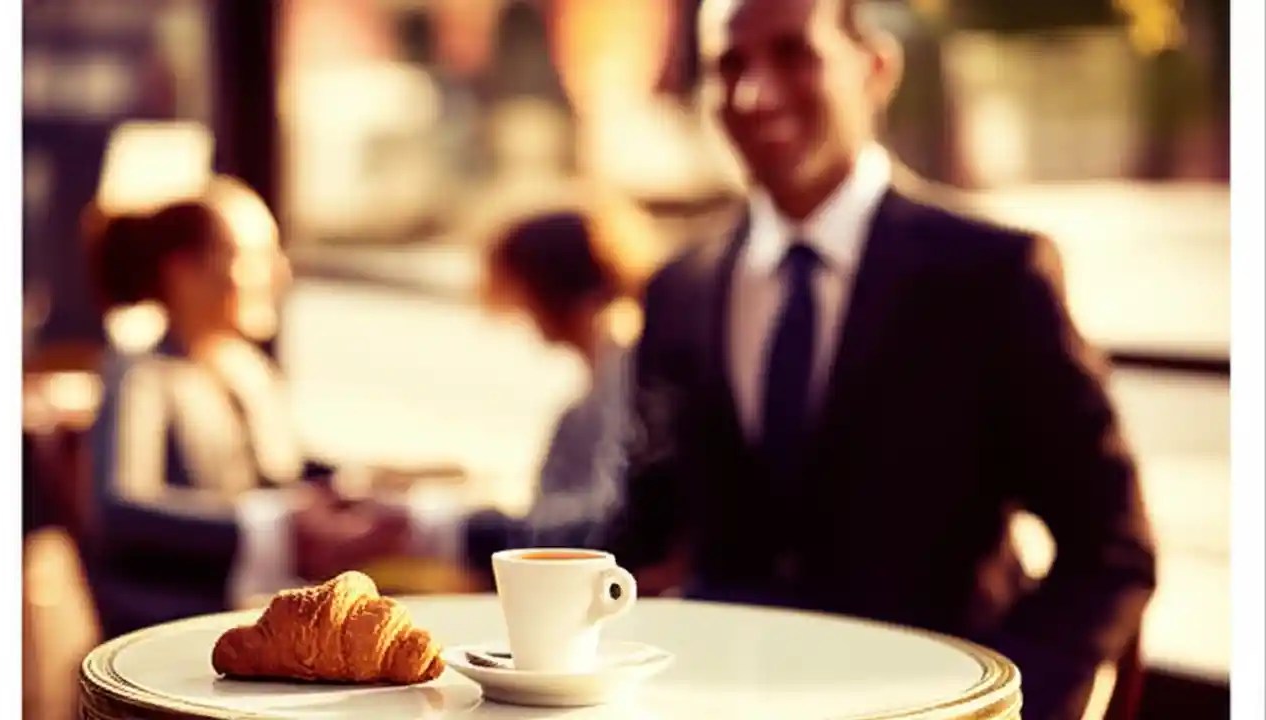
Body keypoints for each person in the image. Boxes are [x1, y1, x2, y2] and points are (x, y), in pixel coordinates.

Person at [609, 1, 1157, 718]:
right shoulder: (681, 290)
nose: (754, 94)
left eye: (794, 54)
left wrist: (1009, 704)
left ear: (875, 68)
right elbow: (643, 529)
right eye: (728, 66)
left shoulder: (992, 277)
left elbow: (1110, 549)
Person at [85, 181, 411, 638]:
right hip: (184, 623)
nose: (279, 273)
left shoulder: (247, 368)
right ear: (184, 272)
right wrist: (278, 526)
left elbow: (282, 473)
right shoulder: (141, 375)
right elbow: (121, 509)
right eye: (253, 257)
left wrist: (356, 489)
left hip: (263, 602)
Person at [414, 201, 657, 583]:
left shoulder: (628, 377)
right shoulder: (600, 387)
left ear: (544, 288)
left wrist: (433, 527)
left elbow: (603, 527)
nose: (517, 314)